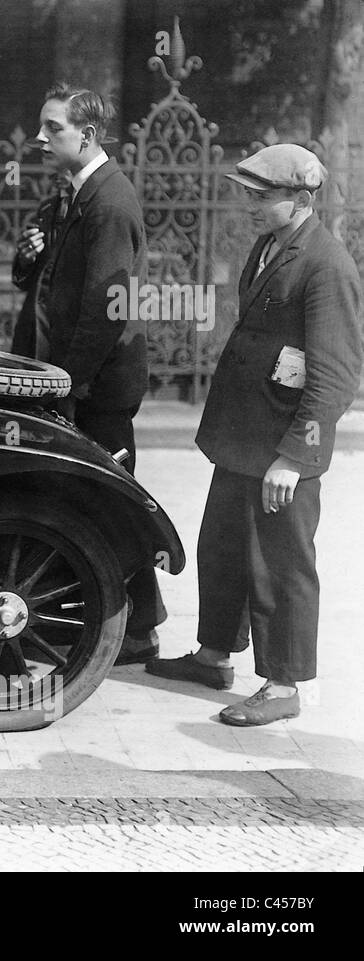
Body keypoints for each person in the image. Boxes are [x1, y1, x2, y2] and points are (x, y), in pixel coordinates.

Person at [148, 144, 364, 726]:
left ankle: (284, 684)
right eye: (249, 194)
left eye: (262, 196)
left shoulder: (326, 264)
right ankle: (214, 655)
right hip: (243, 437)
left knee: (280, 567)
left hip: (281, 447)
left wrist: (294, 457)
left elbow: (336, 374)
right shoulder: (271, 244)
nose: (250, 205)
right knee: (221, 548)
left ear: (302, 199)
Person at [20, 82, 165, 662]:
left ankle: (138, 628)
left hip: (101, 386)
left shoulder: (109, 202)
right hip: (89, 379)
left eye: (52, 128)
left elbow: (107, 311)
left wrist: (66, 383)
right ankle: (122, 622)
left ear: (87, 135)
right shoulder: (80, 192)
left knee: (111, 503)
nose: (40, 138)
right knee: (95, 500)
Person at [10, 170, 71, 353]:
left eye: (63, 168)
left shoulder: (93, 209)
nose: (54, 173)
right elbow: (30, 279)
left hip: (67, 325)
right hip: (36, 325)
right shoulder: (47, 208)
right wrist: (26, 259)